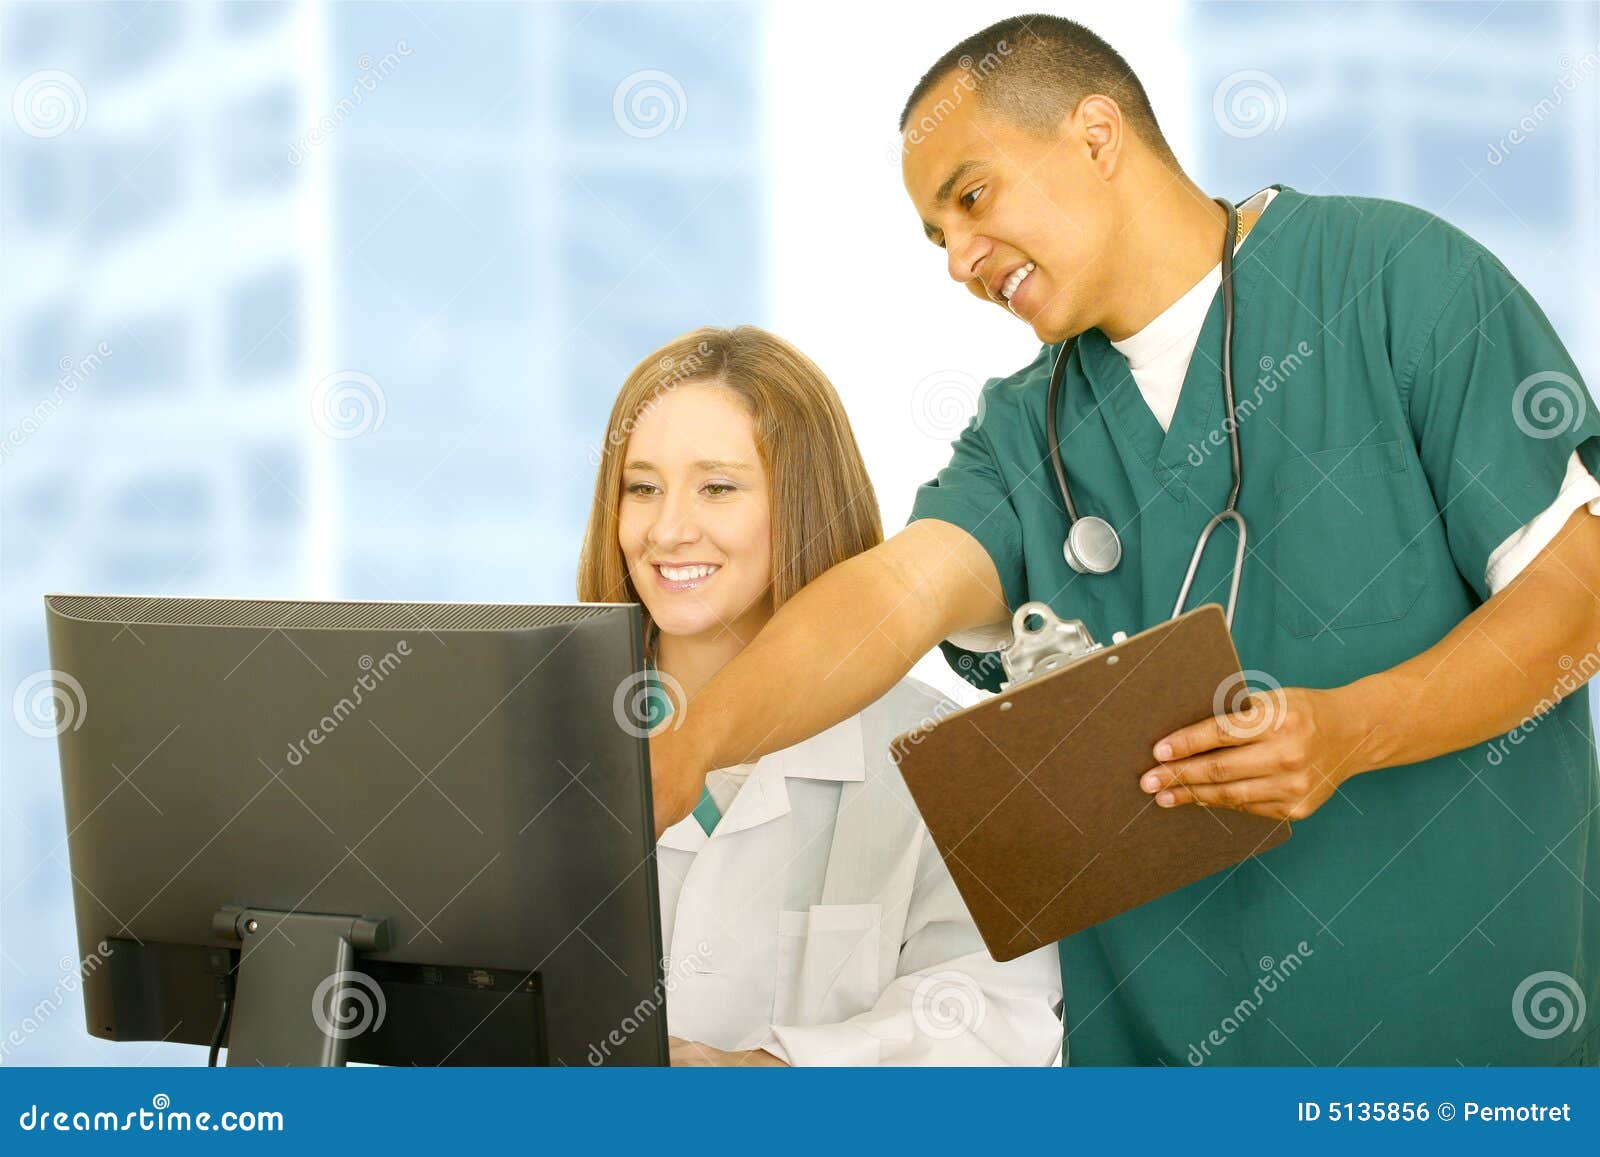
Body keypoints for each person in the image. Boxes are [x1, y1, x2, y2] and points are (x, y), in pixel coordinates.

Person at [647, 16, 1600, 1066]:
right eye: (936, 237)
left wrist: (1349, 730)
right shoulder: (1026, 429)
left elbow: (1578, 598)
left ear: (1096, 135)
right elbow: (893, 594)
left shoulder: (1395, 283)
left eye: (970, 198)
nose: (960, 260)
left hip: (1458, 1045)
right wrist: (687, 747)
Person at [577, 325, 1062, 1065]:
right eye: (642, 488)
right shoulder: (546, 732)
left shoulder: (940, 752)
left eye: (718, 487)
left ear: (803, 501)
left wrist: (768, 1074)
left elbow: (998, 1017)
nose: (668, 530)